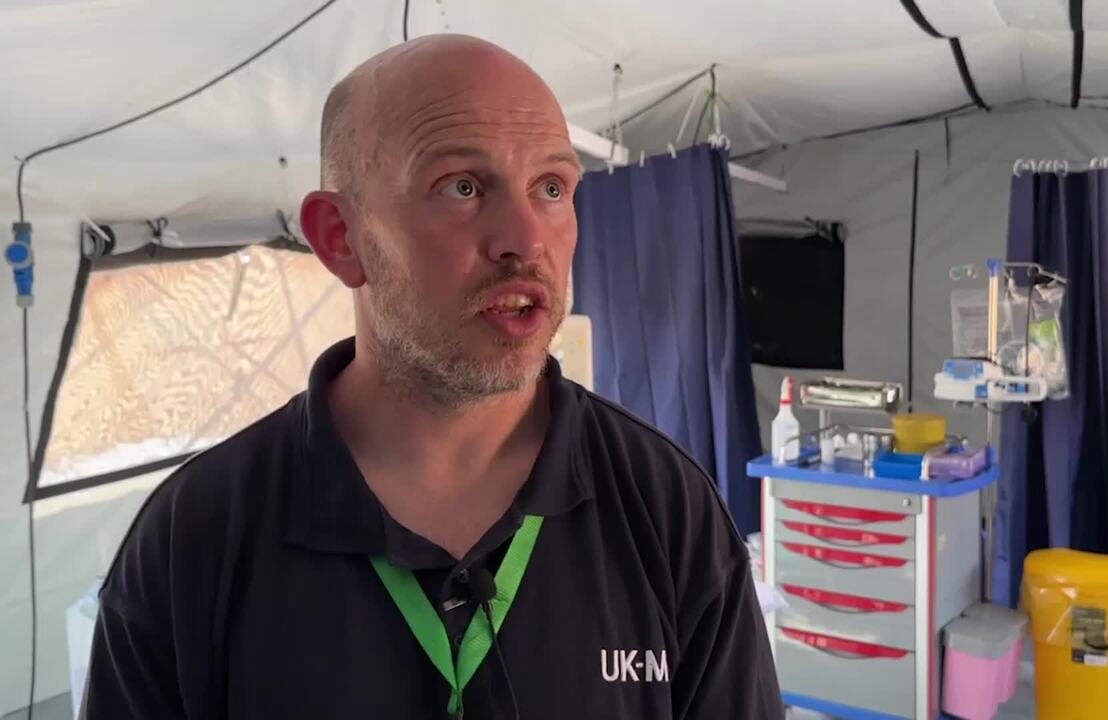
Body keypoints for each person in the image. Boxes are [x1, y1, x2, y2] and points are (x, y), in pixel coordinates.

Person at [82, 34, 783, 719]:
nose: (525, 241)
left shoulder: (667, 508)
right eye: (463, 187)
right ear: (341, 238)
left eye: (550, 188)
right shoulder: (195, 539)